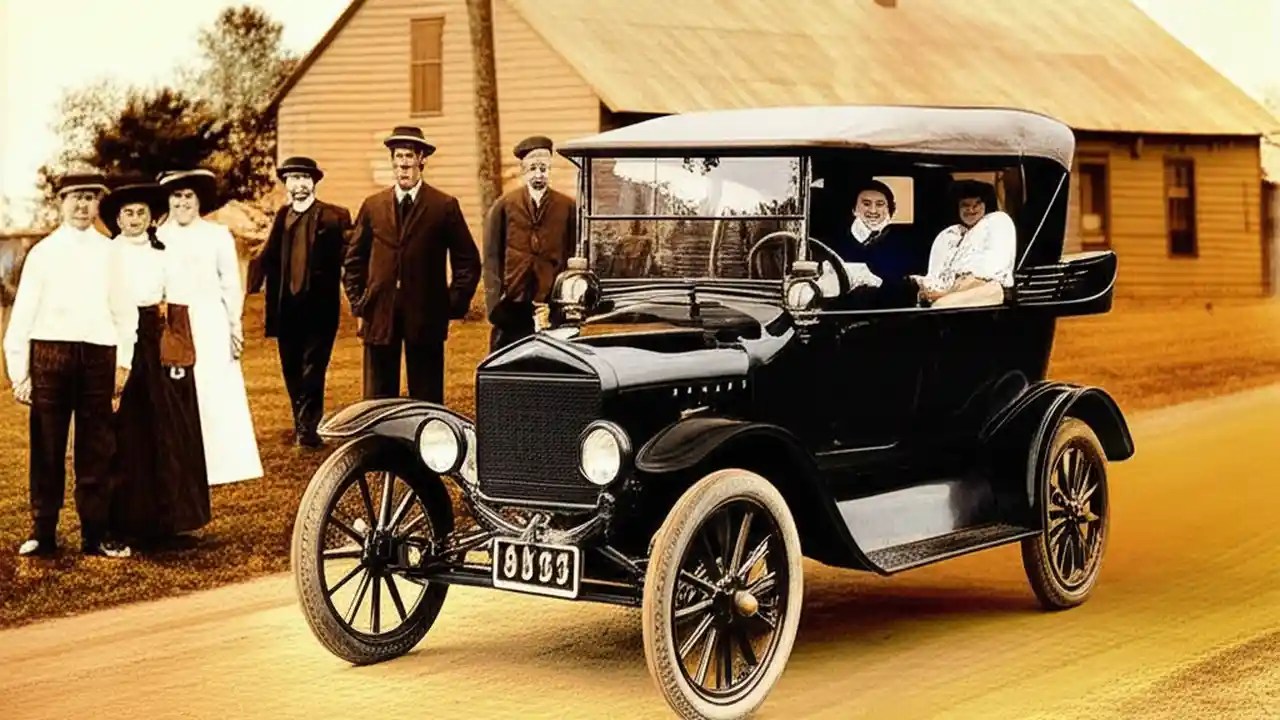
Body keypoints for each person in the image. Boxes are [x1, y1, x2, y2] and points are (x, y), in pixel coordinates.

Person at [4, 172, 135, 557]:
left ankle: (95, 533)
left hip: (98, 355)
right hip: (50, 356)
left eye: (89, 198)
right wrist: (20, 373)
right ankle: (43, 531)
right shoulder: (44, 253)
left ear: (98, 205)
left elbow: (124, 313)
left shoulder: (111, 251)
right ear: (61, 203)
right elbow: (23, 315)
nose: (82, 206)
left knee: (97, 448)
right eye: (75, 198)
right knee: (47, 446)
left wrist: (122, 363)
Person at [100, 174, 211, 544]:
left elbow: (177, 310)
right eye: (127, 213)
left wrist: (178, 357)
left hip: (156, 343)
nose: (134, 219)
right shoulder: (107, 255)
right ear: (117, 219)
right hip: (118, 341)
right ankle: (124, 525)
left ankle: (168, 524)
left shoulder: (163, 255)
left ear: (151, 217)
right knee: (125, 435)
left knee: (166, 431)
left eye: (141, 212)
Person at [343, 125, 481, 402]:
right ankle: (382, 442)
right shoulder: (373, 205)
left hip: (426, 313)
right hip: (380, 314)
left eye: (409, 157)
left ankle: (426, 442)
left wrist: (450, 304)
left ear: (422, 160)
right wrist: (361, 301)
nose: (403, 165)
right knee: (378, 396)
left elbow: (468, 261)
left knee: (426, 393)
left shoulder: (443, 206)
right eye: (398, 157)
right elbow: (353, 260)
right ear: (392, 161)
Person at [156, 168, 264, 485]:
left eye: (188, 196)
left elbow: (231, 284)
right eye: (176, 196)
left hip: (211, 321)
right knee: (179, 390)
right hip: (176, 322)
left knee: (215, 389)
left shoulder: (217, 235)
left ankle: (223, 464)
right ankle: (182, 462)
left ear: (198, 200)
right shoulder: (159, 237)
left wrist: (234, 326)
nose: (182, 203)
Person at [247, 156, 351, 448]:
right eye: (293, 179)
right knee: (291, 368)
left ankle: (308, 430)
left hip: (319, 308)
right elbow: (266, 256)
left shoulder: (334, 216)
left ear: (314, 182)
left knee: (313, 369)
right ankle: (300, 422)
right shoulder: (283, 216)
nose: (299, 185)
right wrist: (246, 288)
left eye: (305, 178)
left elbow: (350, 256)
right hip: (287, 308)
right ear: (286, 184)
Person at [482, 135, 577, 351]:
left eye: (543, 168)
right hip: (513, 303)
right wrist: (495, 303)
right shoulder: (505, 205)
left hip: (552, 302)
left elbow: (573, 252)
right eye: (533, 168)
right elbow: (491, 256)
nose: (538, 174)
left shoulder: (567, 207)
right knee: (508, 360)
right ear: (524, 170)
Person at [909, 179, 1016, 308]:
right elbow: (936, 276)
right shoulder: (949, 235)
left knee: (940, 306)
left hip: (987, 289)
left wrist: (943, 295)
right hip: (953, 292)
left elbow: (988, 274)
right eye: (965, 205)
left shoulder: (997, 222)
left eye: (977, 204)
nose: (971, 209)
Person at [817, 179, 920, 306]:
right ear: (854, 209)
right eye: (866, 204)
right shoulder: (833, 242)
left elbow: (911, 289)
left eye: (880, 204)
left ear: (890, 210)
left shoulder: (906, 245)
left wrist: (878, 283)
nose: (873, 210)